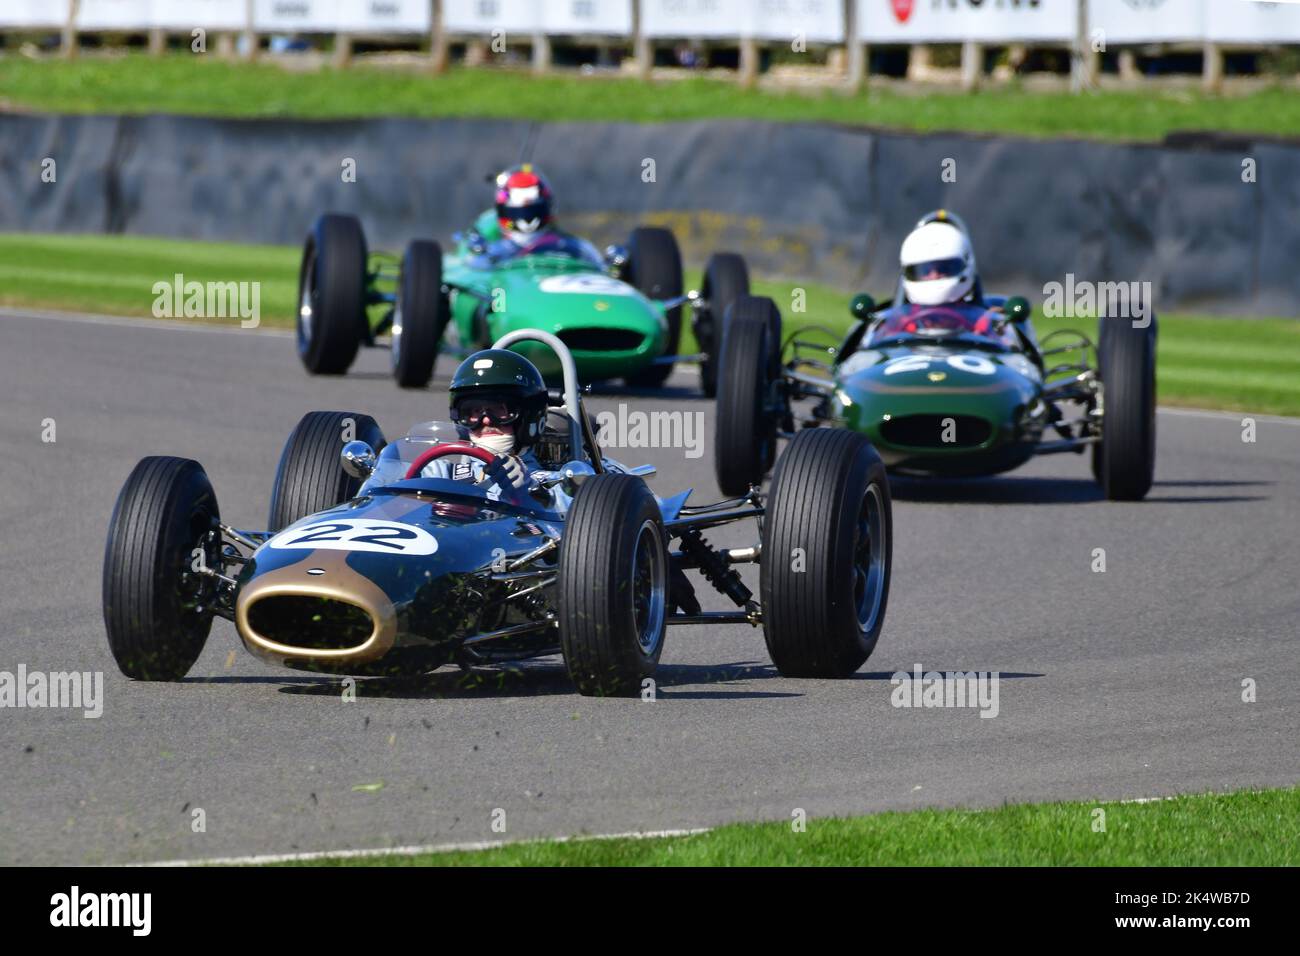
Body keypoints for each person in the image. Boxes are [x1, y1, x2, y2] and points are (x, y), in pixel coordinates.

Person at [421, 349, 550, 498]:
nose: (486, 420)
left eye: (499, 409)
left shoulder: (553, 484)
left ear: (529, 415)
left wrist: (531, 491)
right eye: (474, 411)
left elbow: (568, 504)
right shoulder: (444, 474)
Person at [898, 210, 980, 307]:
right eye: (926, 270)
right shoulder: (898, 321)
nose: (934, 275)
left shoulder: (984, 320)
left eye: (944, 268)